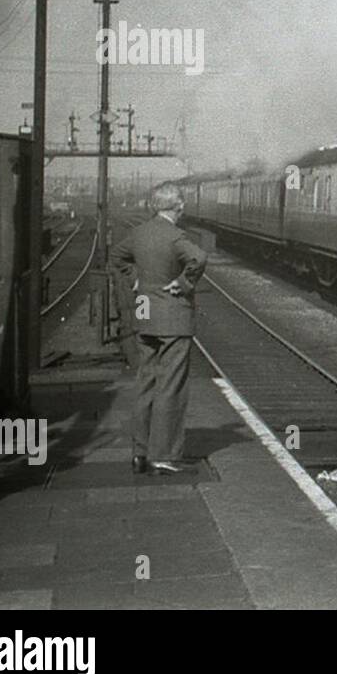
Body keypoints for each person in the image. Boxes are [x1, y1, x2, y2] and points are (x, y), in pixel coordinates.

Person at [109, 182, 207, 475]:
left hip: (145, 314)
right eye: (182, 204)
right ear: (177, 206)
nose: (183, 208)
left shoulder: (139, 233)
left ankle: (140, 451)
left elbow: (117, 256)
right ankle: (163, 455)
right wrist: (184, 283)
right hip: (173, 318)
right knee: (171, 387)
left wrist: (135, 278)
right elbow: (199, 258)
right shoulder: (176, 236)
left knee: (146, 380)